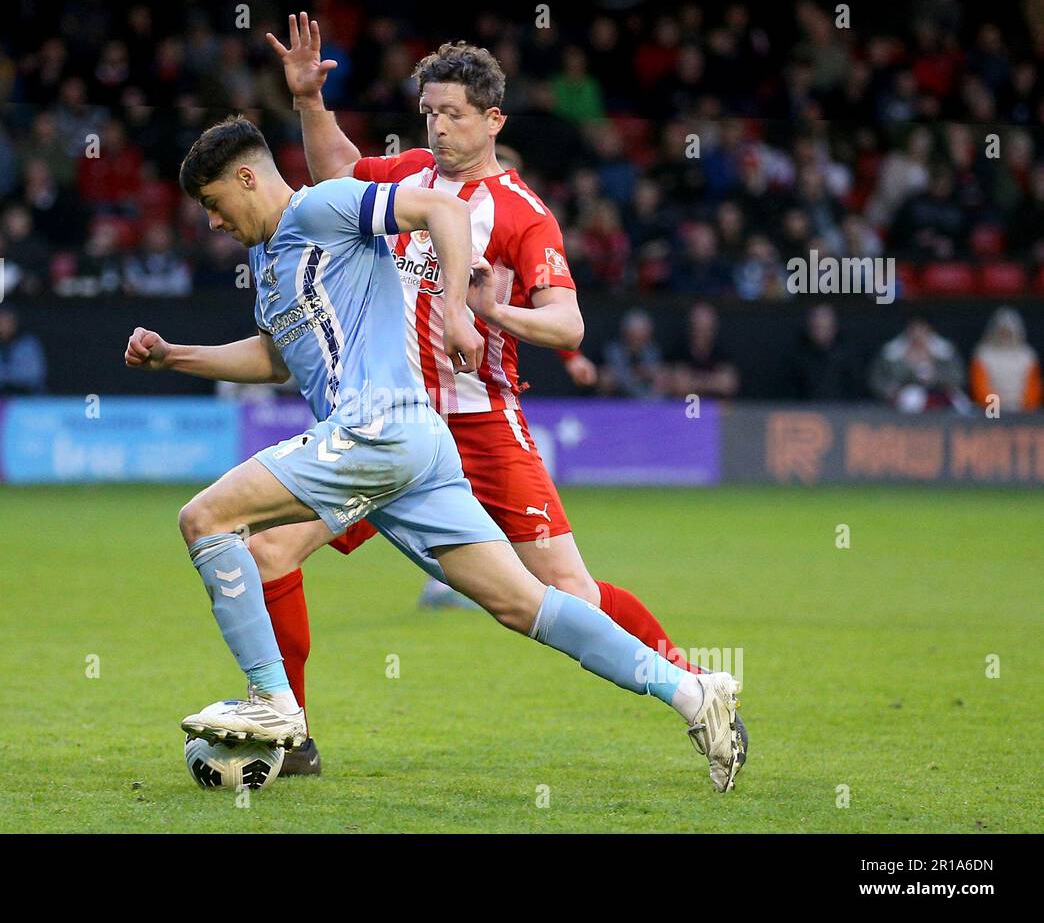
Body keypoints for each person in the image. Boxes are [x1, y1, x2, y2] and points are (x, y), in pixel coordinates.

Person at [125, 116, 745, 793]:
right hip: (414, 450)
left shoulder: (321, 207)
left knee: (205, 519)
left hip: (376, 430)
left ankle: (274, 704)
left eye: (214, 204)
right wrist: (174, 356)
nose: (213, 222)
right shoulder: (267, 260)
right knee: (524, 604)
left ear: (247, 177)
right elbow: (279, 358)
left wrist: (454, 309)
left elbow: (443, 207)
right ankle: (693, 694)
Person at [253, 16, 737, 776]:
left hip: (480, 426)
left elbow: (569, 324)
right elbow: (339, 173)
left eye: (453, 115)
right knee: (271, 550)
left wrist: (491, 310)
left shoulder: (520, 213)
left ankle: (698, 686)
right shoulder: (409, 176)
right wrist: (312, 101)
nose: (438, 129)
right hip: (392, 428)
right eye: (430, 113)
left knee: (566, 589)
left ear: (493, 120)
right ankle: (293, 738)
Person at [869, 316, 969, 413]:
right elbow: (877, 380)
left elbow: (958, 377)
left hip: (941, 395)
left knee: (960, 404)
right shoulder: (892, 352)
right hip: (904, 398)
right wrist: (889, 390)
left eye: (922, 329)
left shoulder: (945, 352)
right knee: (912, 398)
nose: (917, 334)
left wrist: (936, 378)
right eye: (914, 329)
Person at [968, 307, 1041, 412]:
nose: (1005, 336)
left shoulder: (1028, 356)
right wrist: (996, 407)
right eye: (1002, 332)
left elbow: (1033, 388)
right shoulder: (983, 354)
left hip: (1023, 412)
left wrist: (1024, 407)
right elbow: (980, 387)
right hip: (990, 412)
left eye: (1009, 332)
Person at [0, 308, 47, 396]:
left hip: (27, 398)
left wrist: (3, 377)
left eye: (7, 321)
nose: (4, 326)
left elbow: (33, 375)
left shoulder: (28, 344)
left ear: (15, 322)